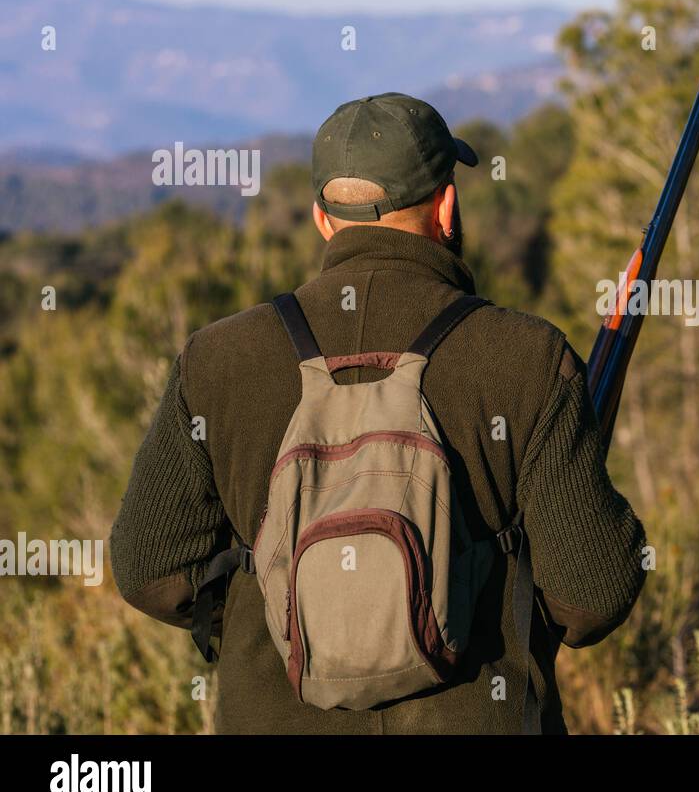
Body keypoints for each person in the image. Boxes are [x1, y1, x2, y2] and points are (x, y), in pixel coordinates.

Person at [110, 92, 647, 733]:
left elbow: (148, 567)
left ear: (323, 220)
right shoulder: (526, 357)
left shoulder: (216, 360)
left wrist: (287, 607)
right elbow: (592, 597)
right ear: (447, 206)